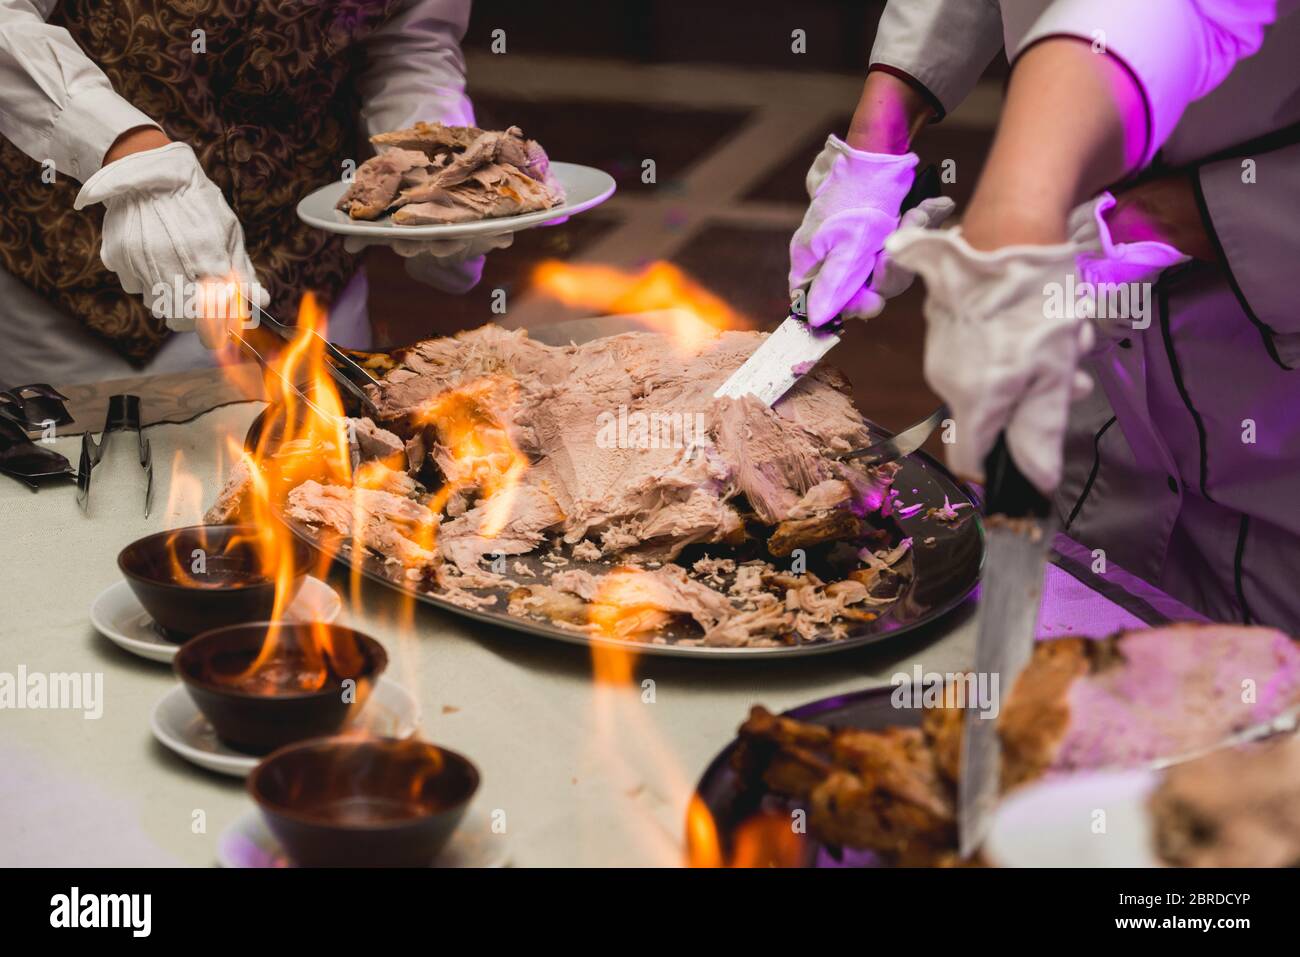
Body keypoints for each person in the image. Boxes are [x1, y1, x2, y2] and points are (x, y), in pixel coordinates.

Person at [790, 0, 1300, 628]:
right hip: (1089, 420)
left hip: (1271, 405)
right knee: (1079, 636)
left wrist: (1171, 214)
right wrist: (876, 144)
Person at [0, 0, 497, 386]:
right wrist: (127, 152)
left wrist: (431, 158)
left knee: (326, 496)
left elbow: (409, 45)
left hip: (309, 280)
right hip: (70, 293)